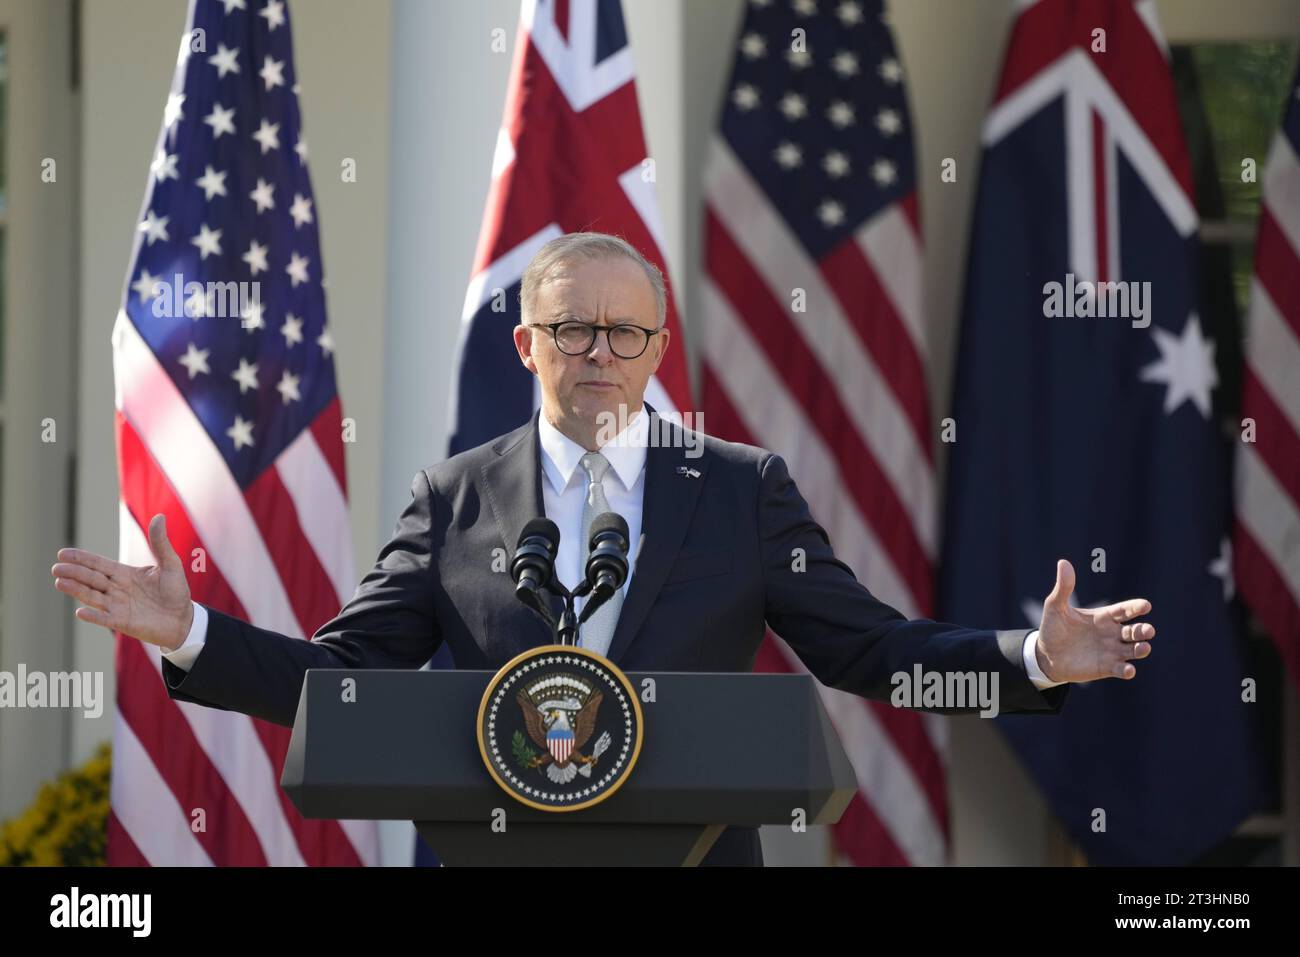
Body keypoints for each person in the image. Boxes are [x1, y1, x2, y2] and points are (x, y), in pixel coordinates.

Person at [51, 231, 1156, 866]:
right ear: (528, 343)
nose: (599, 352)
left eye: (625, 332)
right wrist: (191, 629)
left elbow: (867, 650)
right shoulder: (454, 495)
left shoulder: (739, 490)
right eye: (572, 328)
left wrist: (1031, 659)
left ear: (656, 349)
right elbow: (346, 683)